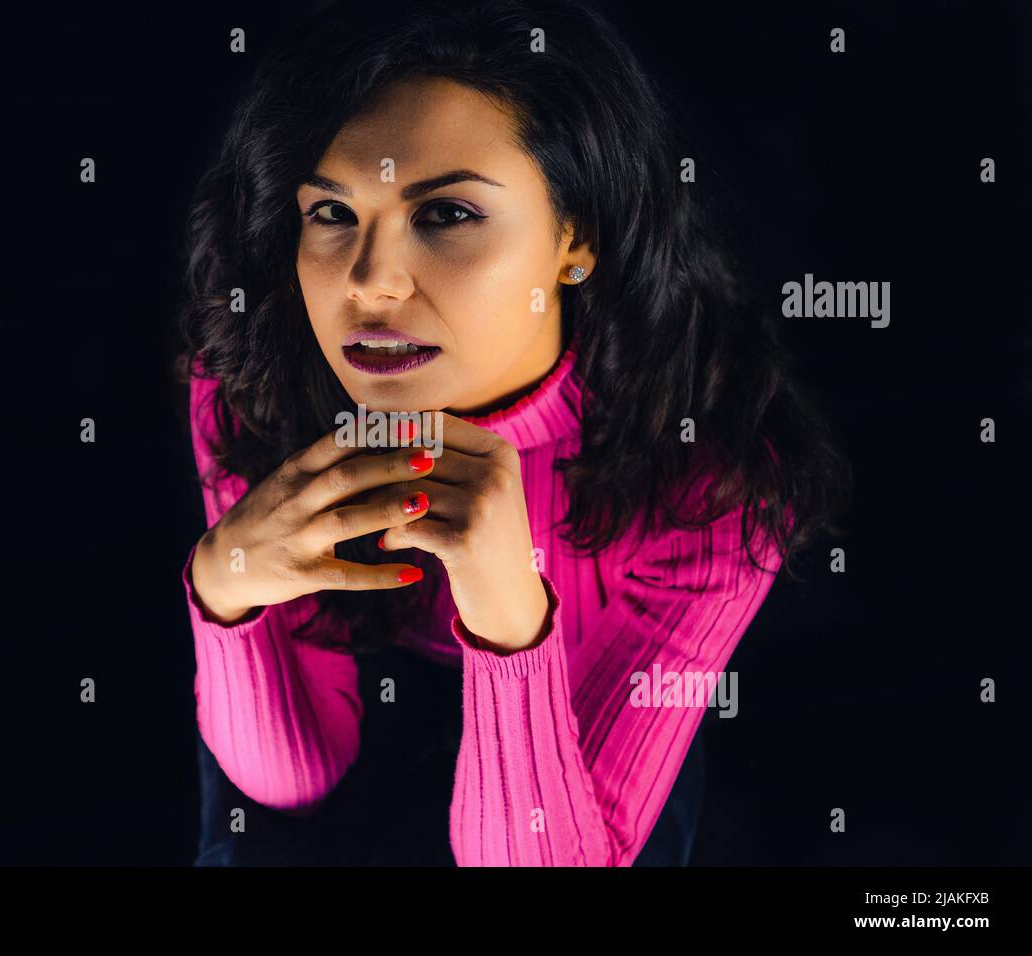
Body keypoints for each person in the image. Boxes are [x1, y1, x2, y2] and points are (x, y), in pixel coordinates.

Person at [174, 0, 850, 866]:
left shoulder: (716, 483)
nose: (371, 285)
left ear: (578, 238)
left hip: (572, 721)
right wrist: (223, 586)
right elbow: (290, 783)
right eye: (333, 214)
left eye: (447, 214)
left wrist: (507, 615)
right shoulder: (251, 381)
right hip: (368, 711)